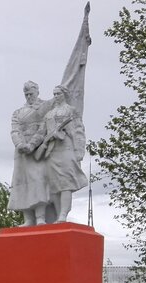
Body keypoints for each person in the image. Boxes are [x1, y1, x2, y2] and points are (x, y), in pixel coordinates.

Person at [38, 85, 88, 223]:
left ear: (64, 94)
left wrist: (79, 151)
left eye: (58, 93)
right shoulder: (49, 114)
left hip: (66, 148)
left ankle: (63, 215)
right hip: (51, 151)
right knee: (53, 185)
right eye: (54, 94)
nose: (56, 96)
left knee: (66, 183)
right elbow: (41, 133)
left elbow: (78, 131)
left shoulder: (71, 111)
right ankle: (58, 214)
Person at [7, 81, 51, 226]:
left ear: (37, 92)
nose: (29, 96)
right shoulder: (18, 112)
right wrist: (20, 144)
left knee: (38, 181)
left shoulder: (45, 107)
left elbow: (44, 128)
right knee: (22, 183)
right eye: (26, 94)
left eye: (31, 93)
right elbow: (15, 130)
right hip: (21, 152)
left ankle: (40, 217)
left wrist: (32, 144)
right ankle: (28, 219)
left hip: (37, 150)